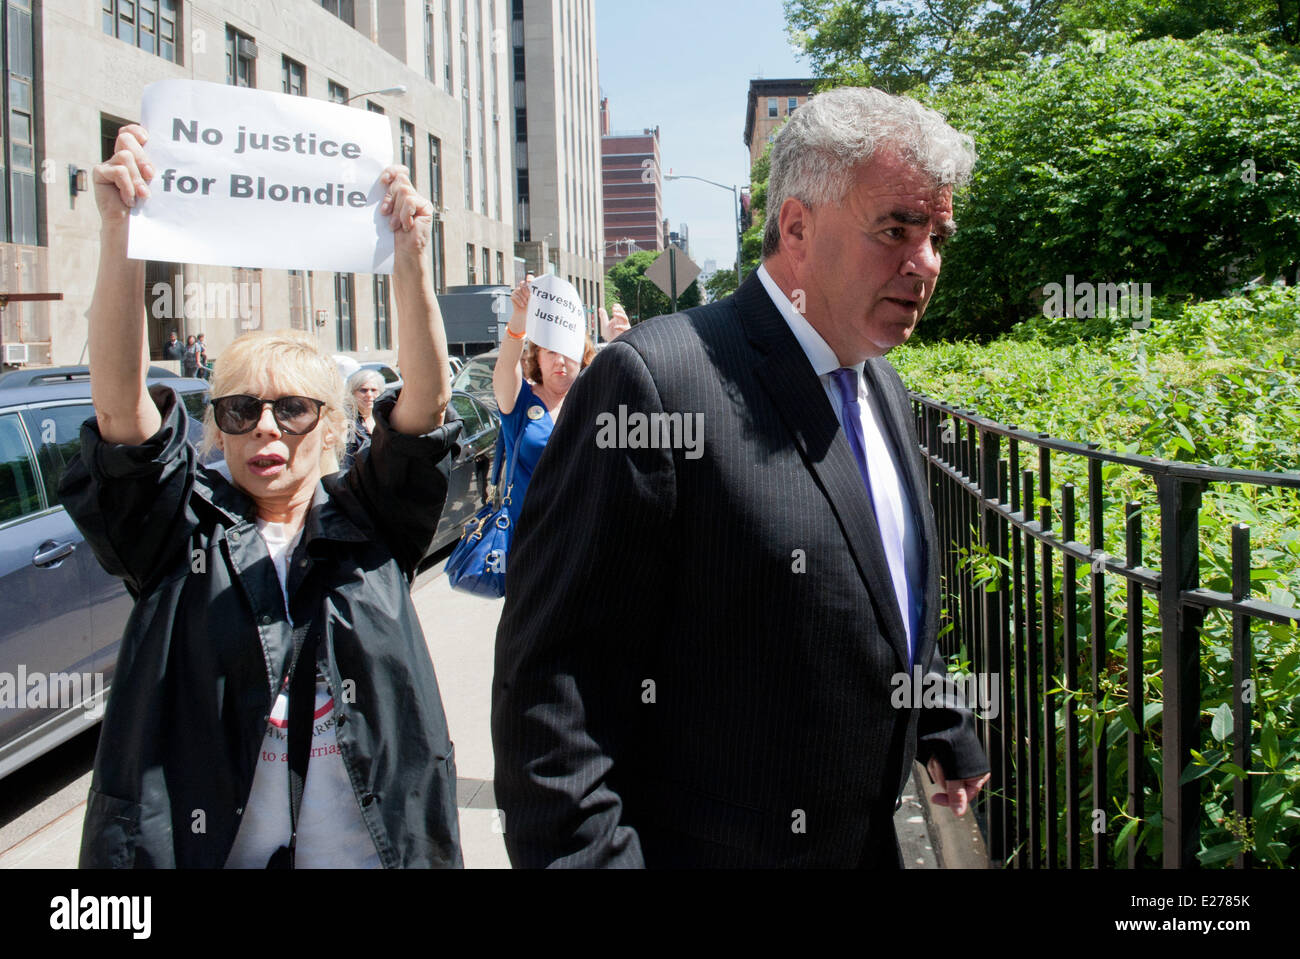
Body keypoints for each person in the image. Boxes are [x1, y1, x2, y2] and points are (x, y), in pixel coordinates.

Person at [492, 86, 990, 868]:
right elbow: (553, 696)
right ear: (796, 225)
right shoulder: (656, 382)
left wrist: (934, 718)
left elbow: (873, 592)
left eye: (936, 234)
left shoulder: (882, 384)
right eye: (895, 228)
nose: (923, 263)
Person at [59, 122, 463, 869]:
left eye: (292, 409)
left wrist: (410, 260)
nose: (265, 428)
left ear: (335, 424)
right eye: (240, 411)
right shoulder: (180, 532)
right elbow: (120, 415)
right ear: (219, 429)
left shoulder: (374, 523)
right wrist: (120, 234)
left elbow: (429, 403)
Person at [490, 279, 595, 528]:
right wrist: (519, 319)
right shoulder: (521, 401)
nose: (560, 361)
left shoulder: (597, 398)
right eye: (550, 351)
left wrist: (624, 338)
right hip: (527, 541)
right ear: (537, 357)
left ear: (582, 356)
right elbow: (505, 367)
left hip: (583, 540)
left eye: (568, 352)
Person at [341, 367, 384, 470]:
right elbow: (346, 461)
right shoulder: (347, 423)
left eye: (373, 390)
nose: (369, 395)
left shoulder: (384, 417)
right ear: (352, 393)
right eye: (363, 390)